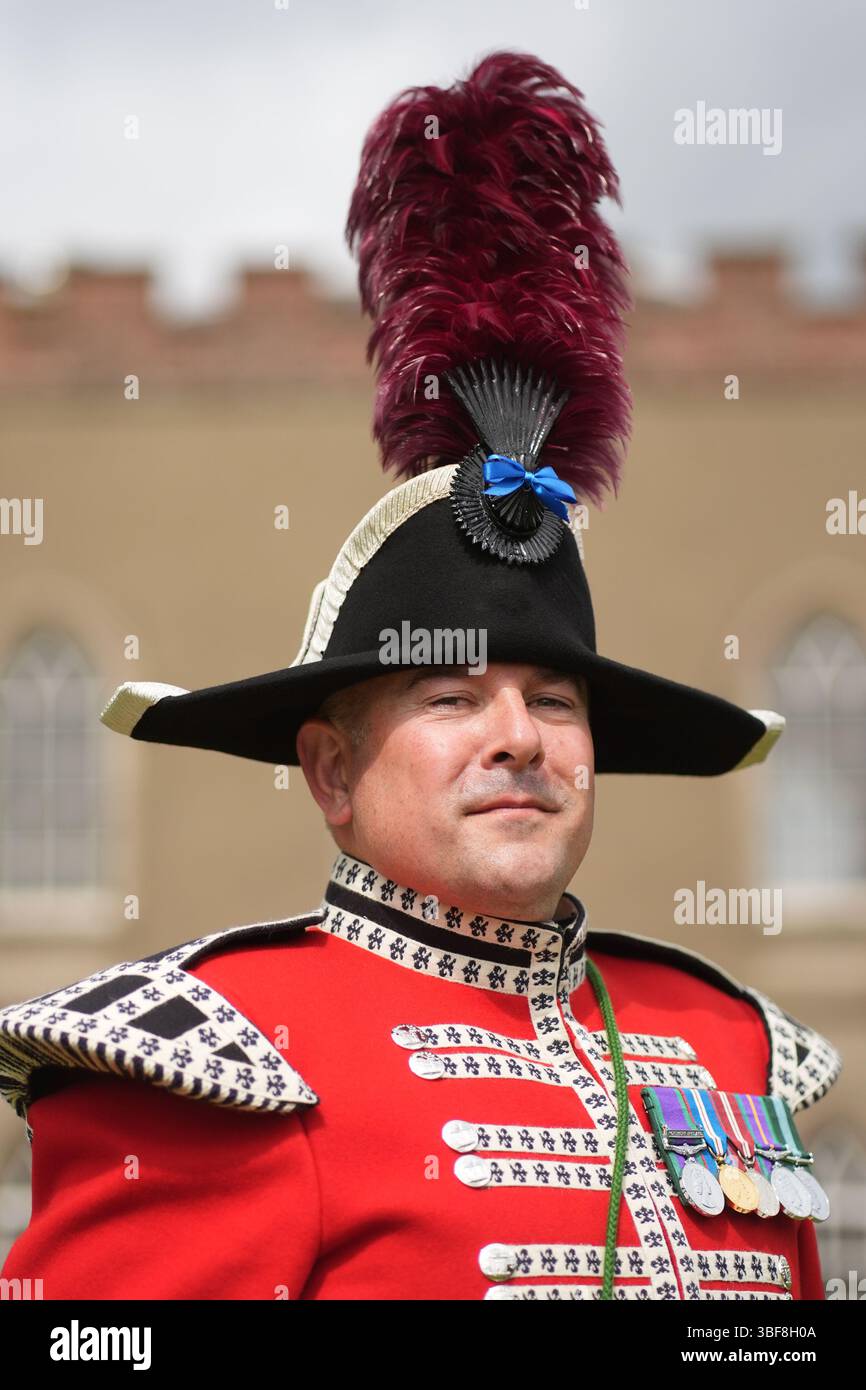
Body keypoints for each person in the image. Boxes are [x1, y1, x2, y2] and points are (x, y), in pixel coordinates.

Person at [0, 51, 840, 1302]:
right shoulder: (216, 1054)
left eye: (553, 700)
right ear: (329, 770)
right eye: (449, 698)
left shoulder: (724, 1045)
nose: (518, 736)